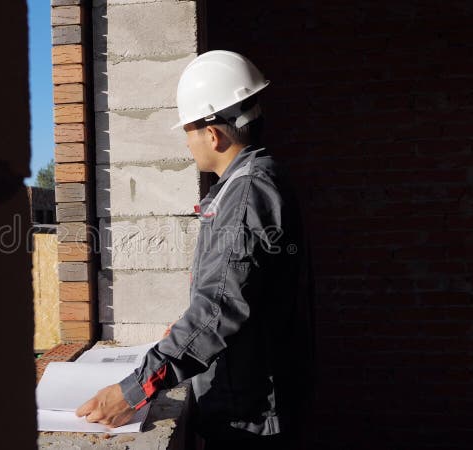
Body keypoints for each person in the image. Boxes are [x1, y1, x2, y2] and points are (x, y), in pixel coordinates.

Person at [76, 50, 315, 449]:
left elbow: (218, 309)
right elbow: (237, 292)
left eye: (187, 130)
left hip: (250, 420)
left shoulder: (246, 195)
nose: (187, 144)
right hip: (257, 405)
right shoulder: (254, 183)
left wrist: (135, 389)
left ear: (213, 133)